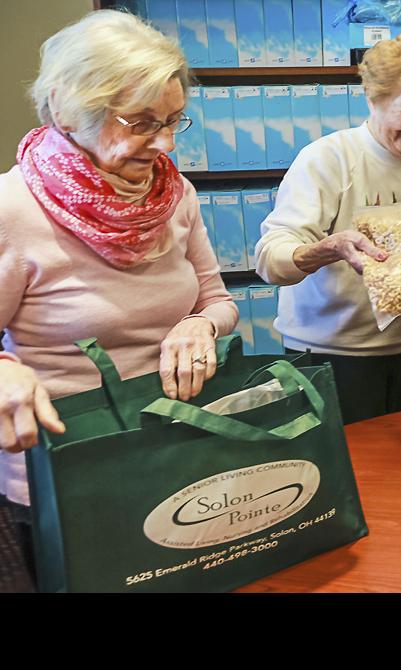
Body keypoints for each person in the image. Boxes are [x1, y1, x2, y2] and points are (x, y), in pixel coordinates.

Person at [0, 9, 239, 591]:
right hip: (60, 484)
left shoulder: (173, 192)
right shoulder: (13, 211)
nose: (161, 144)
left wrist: (200, 326)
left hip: (171, 457)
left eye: (173, 122)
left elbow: (218, 299)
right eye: (139, 122)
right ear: (64, 107)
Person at [255, 28, 401, 424]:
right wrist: (329, 248)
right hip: (330, 359)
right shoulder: (327, 160)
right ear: (373, 98)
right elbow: (270, 259)